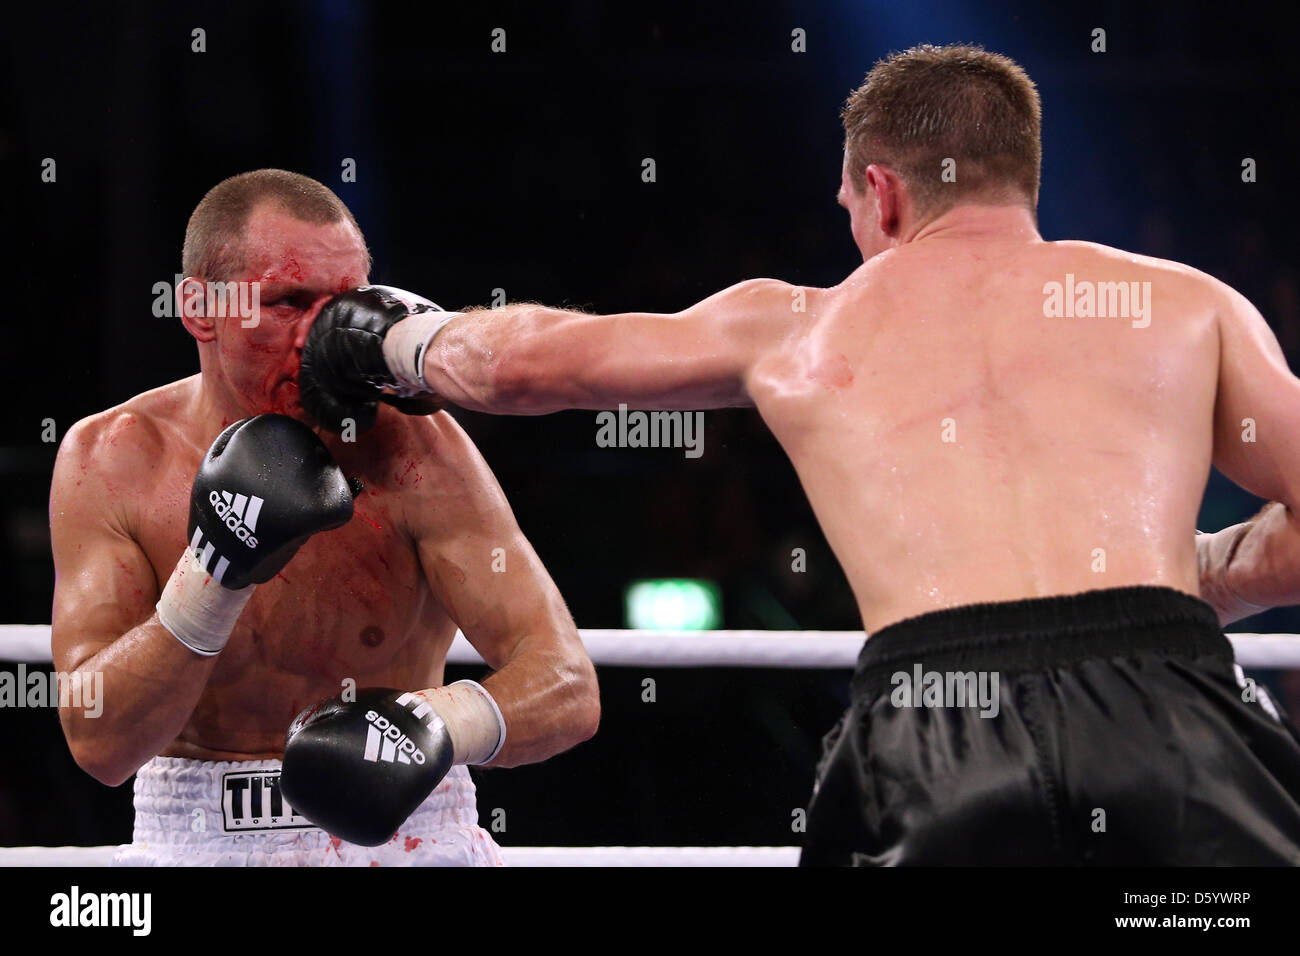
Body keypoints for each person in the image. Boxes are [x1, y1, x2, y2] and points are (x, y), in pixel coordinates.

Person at [298, 44, 1300, 864]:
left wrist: (392, 339)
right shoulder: (1184, 303)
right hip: (1175, 713)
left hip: (936, 723)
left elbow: (531, 366)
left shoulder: (799, 326)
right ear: (1023, 173)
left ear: (880, 190)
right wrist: (1194, 579)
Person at [49, 169, 599, 866]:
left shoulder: (414, 451)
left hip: (412, 833)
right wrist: (214, 575)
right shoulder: (115, 456)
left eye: (346, 304)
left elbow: (567, 686)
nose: (325, 338)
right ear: (199, 308)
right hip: (199, 837)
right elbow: (99, 744)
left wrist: (436, 725)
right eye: (289, 302)